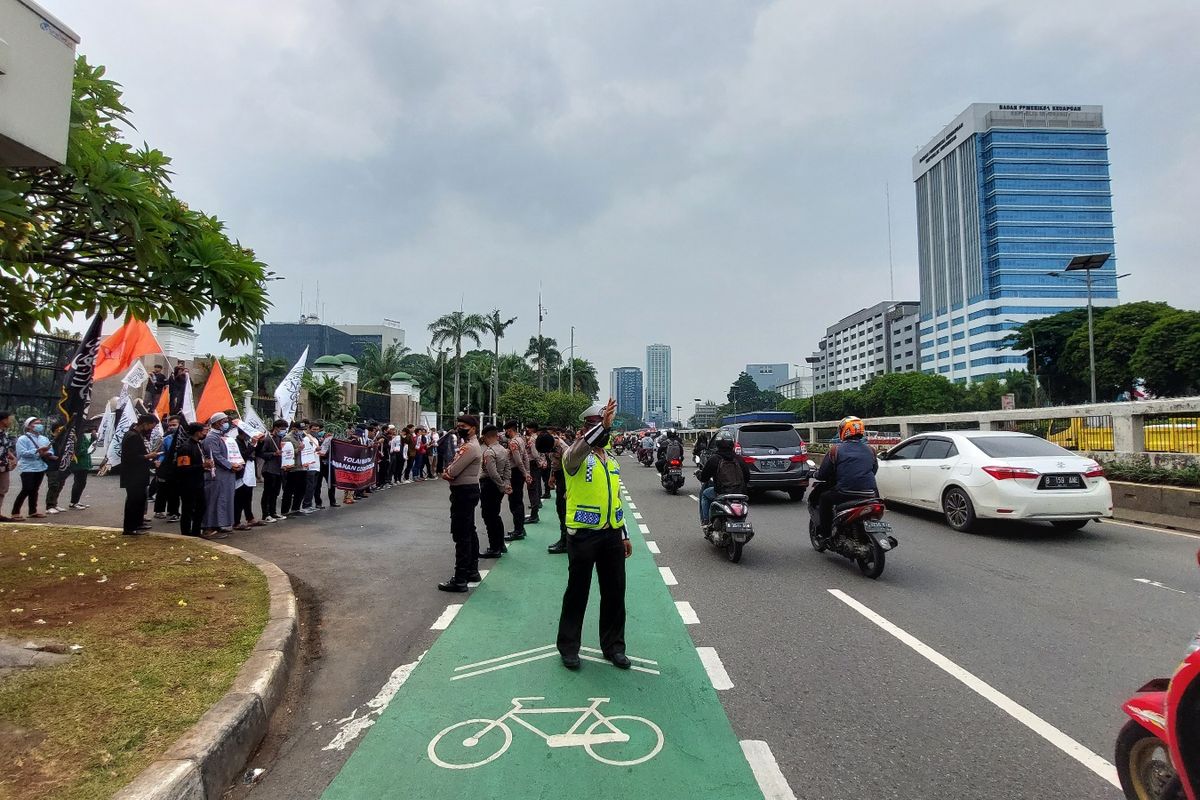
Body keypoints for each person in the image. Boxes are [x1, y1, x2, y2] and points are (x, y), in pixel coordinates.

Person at [557, 399, 633, 671]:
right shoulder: (574, 456)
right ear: (586, 429)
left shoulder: (610, 460)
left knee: (615, 593)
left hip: (611, 534)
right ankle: (568, 648)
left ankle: (614, 647)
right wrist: (603, 425)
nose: (606, 433)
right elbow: (581, 449)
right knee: (577, 592)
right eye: (599, 426)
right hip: (583, 535)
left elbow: (616, 499)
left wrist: (623, 532)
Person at [813, 416, 879, 541]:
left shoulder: (835, 450)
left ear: (844, 431)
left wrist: (815, 475)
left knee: (824, 498)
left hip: (845, 492)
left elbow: (823, 474)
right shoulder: (871, 450)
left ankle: (826, 534)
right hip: (870, 494)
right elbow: (874, 470)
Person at [438, 414, 482, 593]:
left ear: (473, 428)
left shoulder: (470, 447)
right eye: (458, 426)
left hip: (463, 493)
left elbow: (452, 471)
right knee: (469, 531)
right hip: (467, 491)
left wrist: (447, 472)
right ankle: (472, 571)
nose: (459, 429)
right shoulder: (470, 446)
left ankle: (460, 578)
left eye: (463, 426)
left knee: (462, 534)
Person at [697, 431, 750, 527]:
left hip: (722, 492)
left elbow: (704, 478)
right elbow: (747, 477)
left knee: (705, 494)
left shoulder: (715, 459)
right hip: (740, 493)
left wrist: (699, 475)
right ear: (732, 443)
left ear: (717, 443)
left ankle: (705, 521)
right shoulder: (739, 459)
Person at [201, 411, 239, 538]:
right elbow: (215, 455)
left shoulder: (225, 437)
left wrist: (238, 463)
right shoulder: (212, 437)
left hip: (227, 474)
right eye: (224, 422)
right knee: (214, 500)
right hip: (217, 474)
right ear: (217, 423)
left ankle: (220, 524)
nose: (226, 424)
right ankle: (208, 527)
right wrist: (230, 465)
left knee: (224, 500)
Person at [120, 414, 160, 535]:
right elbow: (130, 457)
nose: (150, 430)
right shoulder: (132, 436)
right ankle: (129, 528)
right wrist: (148, 456)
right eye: (150, 427)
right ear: (145, 424)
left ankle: (138, 523)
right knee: (133, 501)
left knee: (140, 500)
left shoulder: (138, 435)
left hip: (140, 474)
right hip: (133, 475)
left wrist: (151, 461)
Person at [479, 425, 512, 559]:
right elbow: (508, 469)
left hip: (490, 485)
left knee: (489, 517)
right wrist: (506, 483)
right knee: (496, 515)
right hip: (499, 486)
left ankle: (494, 548)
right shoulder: (504, 450)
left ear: (487, 437)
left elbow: (492, 474)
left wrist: (501, 486)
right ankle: (500, 544)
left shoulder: (489, 452)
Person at [11, 417, 53, 520]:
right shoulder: (23, 439)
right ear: (29, 426)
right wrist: (37, 451)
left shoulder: (44, 438)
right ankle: (15, 512)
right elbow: (22, 453)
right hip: (27, 468)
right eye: (36, 423)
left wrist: (48, 453)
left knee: (35, 490)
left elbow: (51, 450)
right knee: (26, 489)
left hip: (40, 467)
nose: (39, 425)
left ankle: (32, 511)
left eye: (40, 423)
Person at [171, 422, 208, 536]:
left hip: (199, 482)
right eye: (203, 431)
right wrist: (202, 466)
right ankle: (186, 533)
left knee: (200, 507)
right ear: (197, 432)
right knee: (188, 509)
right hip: (188, 484)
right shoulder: (186, 447)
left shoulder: (199, 445)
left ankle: (196, 531)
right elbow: (183, 468)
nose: (205, 433)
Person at [542, 427, 570, 554]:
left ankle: (566, 542)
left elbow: (572, 471)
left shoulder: (565, 450)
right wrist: (551, 476)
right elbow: (554, 463)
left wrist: (568, 490)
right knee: (559, 508)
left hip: (567, 478)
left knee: (564, 509)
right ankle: (564, 539)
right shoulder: (550, 445)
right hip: (559, 476)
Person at [502, 420, 531, 541]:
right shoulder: (521, 439)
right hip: (520, 472)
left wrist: (525, 473)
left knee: (515, 502)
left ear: (509, 430)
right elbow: (525, 457)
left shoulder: (513, 442)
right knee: (518, 501)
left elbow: (518, 460)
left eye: (506, 431)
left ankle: (518, 530)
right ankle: (520, 528)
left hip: (515, 472)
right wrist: (527, 472)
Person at [152, 415, 183, 520]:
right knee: (163, 489)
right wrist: (159, 461)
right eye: (170, 425)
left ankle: (173, 512)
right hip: (167, 468)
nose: (171, 427)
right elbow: (162, 453)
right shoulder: (166, 439)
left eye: (174, 425)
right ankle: (159, 510)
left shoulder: (184, 439)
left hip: (180, 468)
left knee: (175, 491)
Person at [257, 419, 287, 522]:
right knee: (268, 492)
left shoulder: (280, 438)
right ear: (276, 428)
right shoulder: (268, 439)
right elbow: (261, 453)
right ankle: (265, 514)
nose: (283, 431)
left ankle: (273, 512)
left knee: (276, 492)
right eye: (282, 429)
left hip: (279, 469)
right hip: (269, 469)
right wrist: (273, 454)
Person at [67, 425, 94, 509]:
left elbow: (88, 445)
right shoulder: (75, 437)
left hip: (85, 463)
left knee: (82, 483)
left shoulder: (83, 436)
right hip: (79, 464)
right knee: (78, 483)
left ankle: (76, 500)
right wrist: (87, 449)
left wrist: (93, 439)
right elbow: (78, 451)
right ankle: (73, 502)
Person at [0, 411, 14, 521]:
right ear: (3, 420)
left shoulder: (4, 433)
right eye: (9, 419)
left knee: (2, 489)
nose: (10, 422)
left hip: (3, 466)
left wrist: (12, 457)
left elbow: (5, 448)